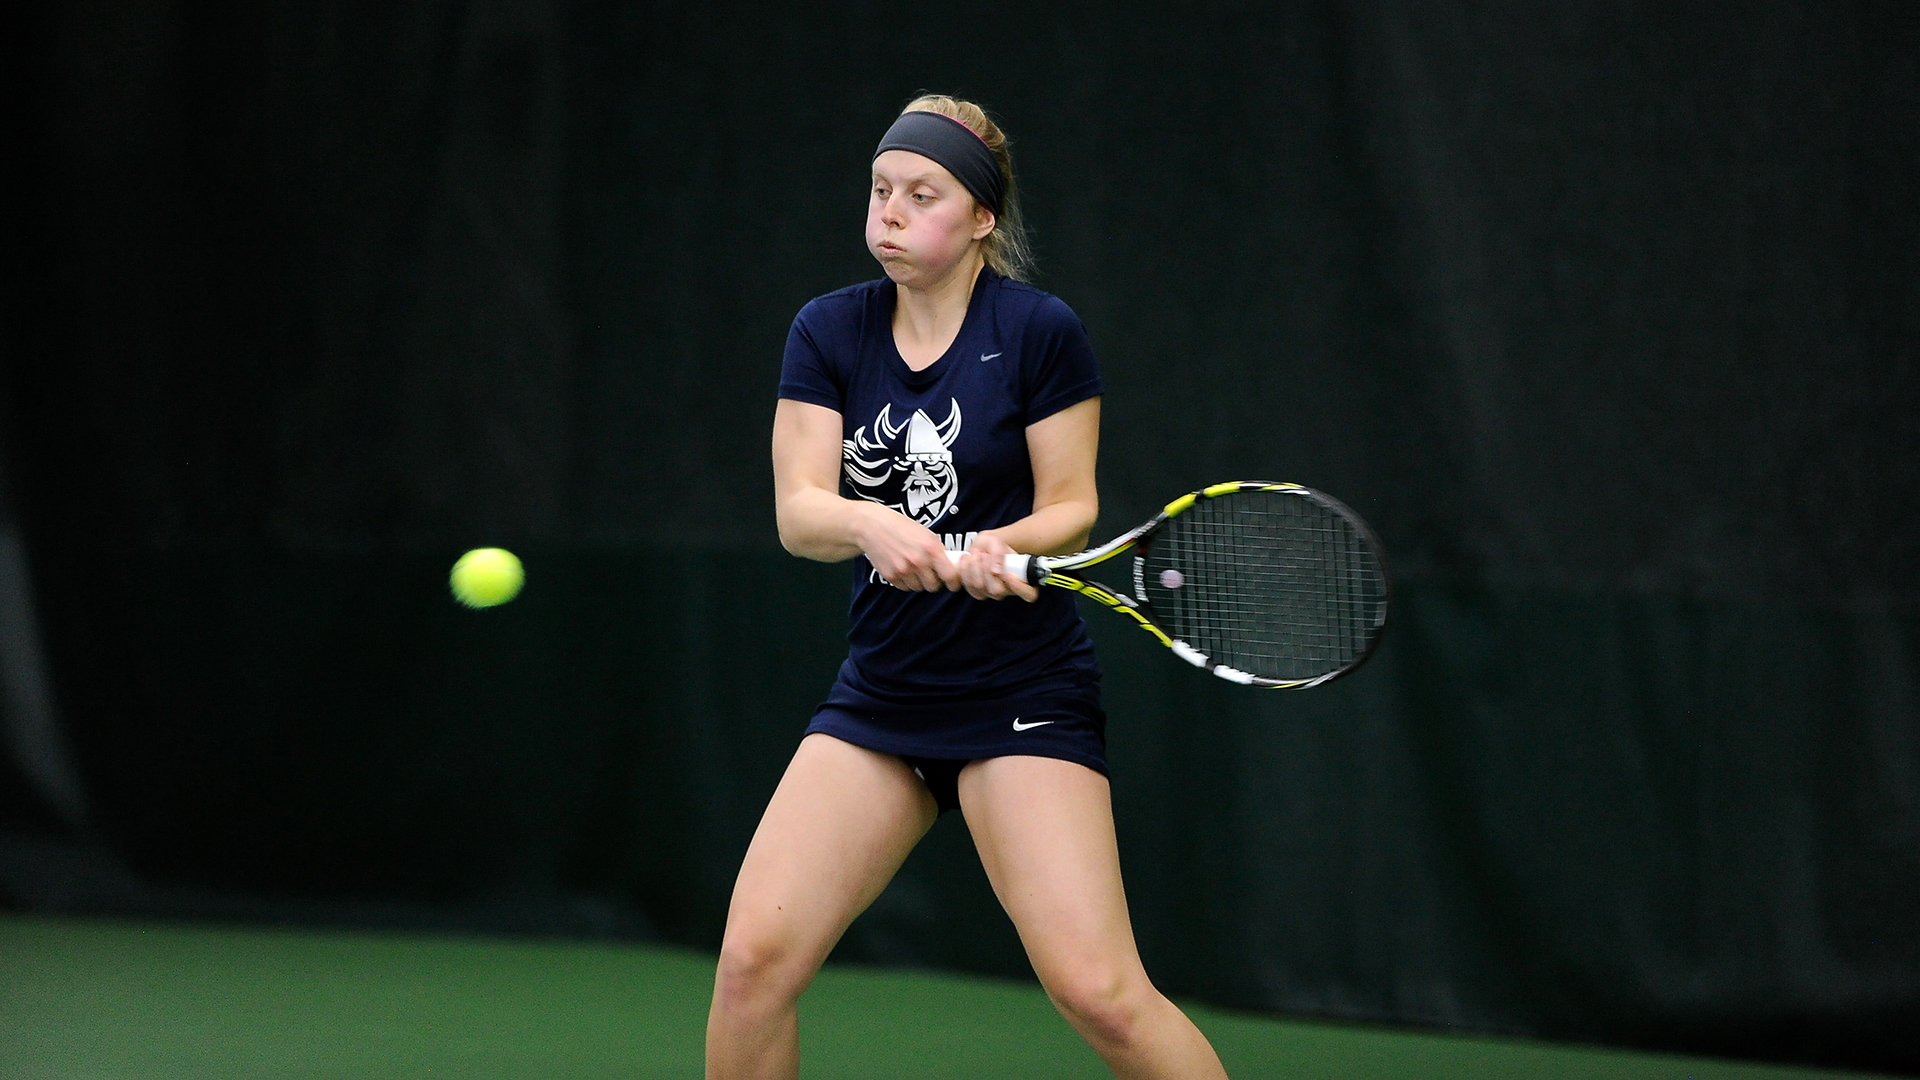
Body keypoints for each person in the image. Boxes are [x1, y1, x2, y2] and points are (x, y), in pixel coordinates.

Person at [705, 94, 1229, 1080]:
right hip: (884, 698)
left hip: (1020, 700)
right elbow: (800, 512)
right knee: (751, 966)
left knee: (1101, 996)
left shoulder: (1040, 333)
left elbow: (1070, 506)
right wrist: (872, 521)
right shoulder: (828, 332)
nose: (889, 214)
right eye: (879, 190)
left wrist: (996, 546)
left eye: (922, 195)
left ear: (983, 216)